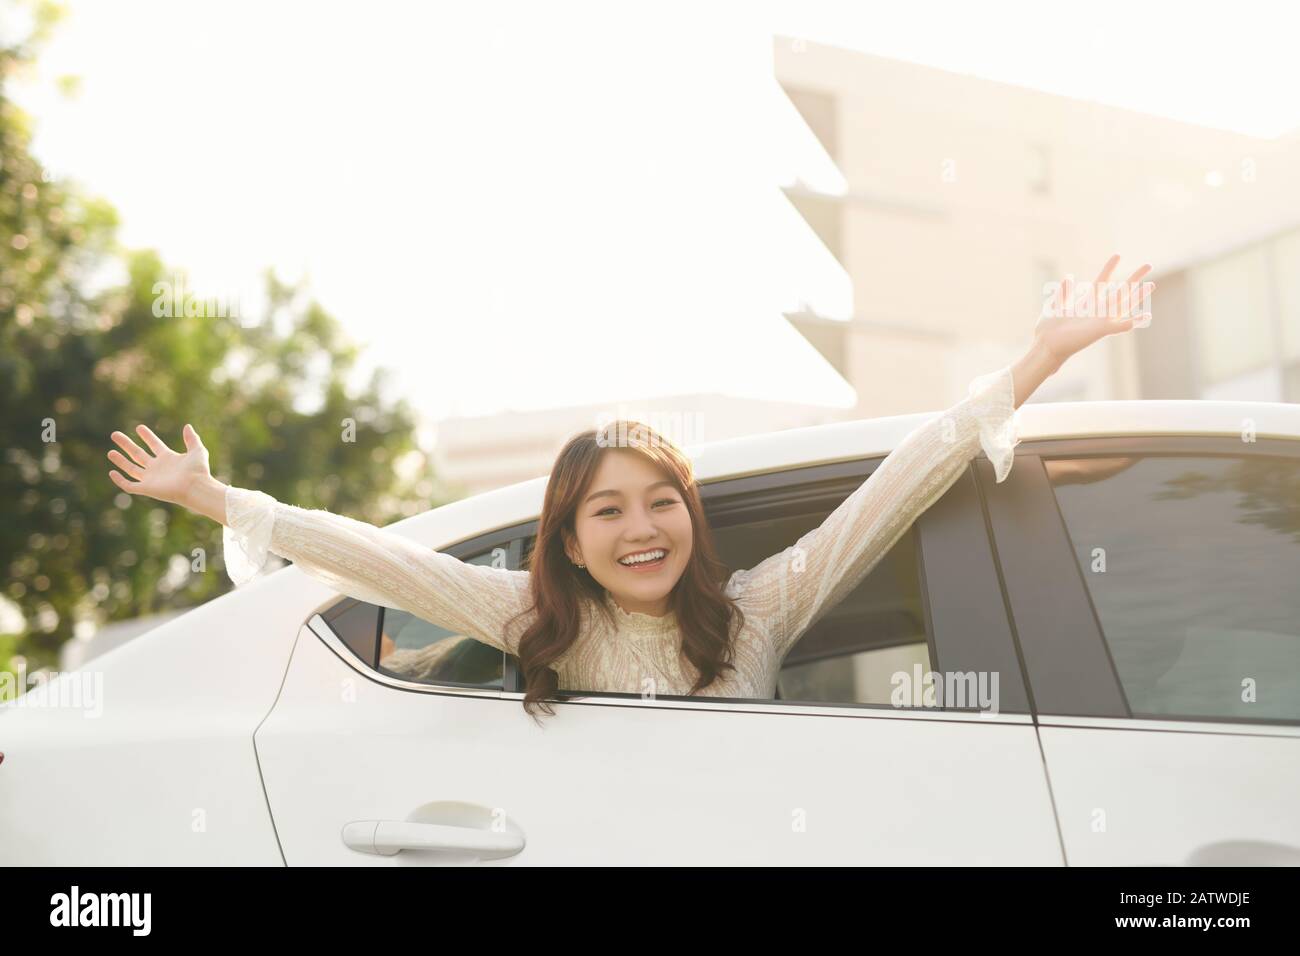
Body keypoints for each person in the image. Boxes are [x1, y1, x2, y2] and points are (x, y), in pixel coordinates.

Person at [106, 256, 1154, 723]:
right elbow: (376, 556)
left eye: (661, 499)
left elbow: (898, 484)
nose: (641, 526)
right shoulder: (530, 621)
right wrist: (216, 499)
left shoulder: (760, 607)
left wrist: (1039, 357)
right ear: (566, 541)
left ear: (690, 516)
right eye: (606, 509)